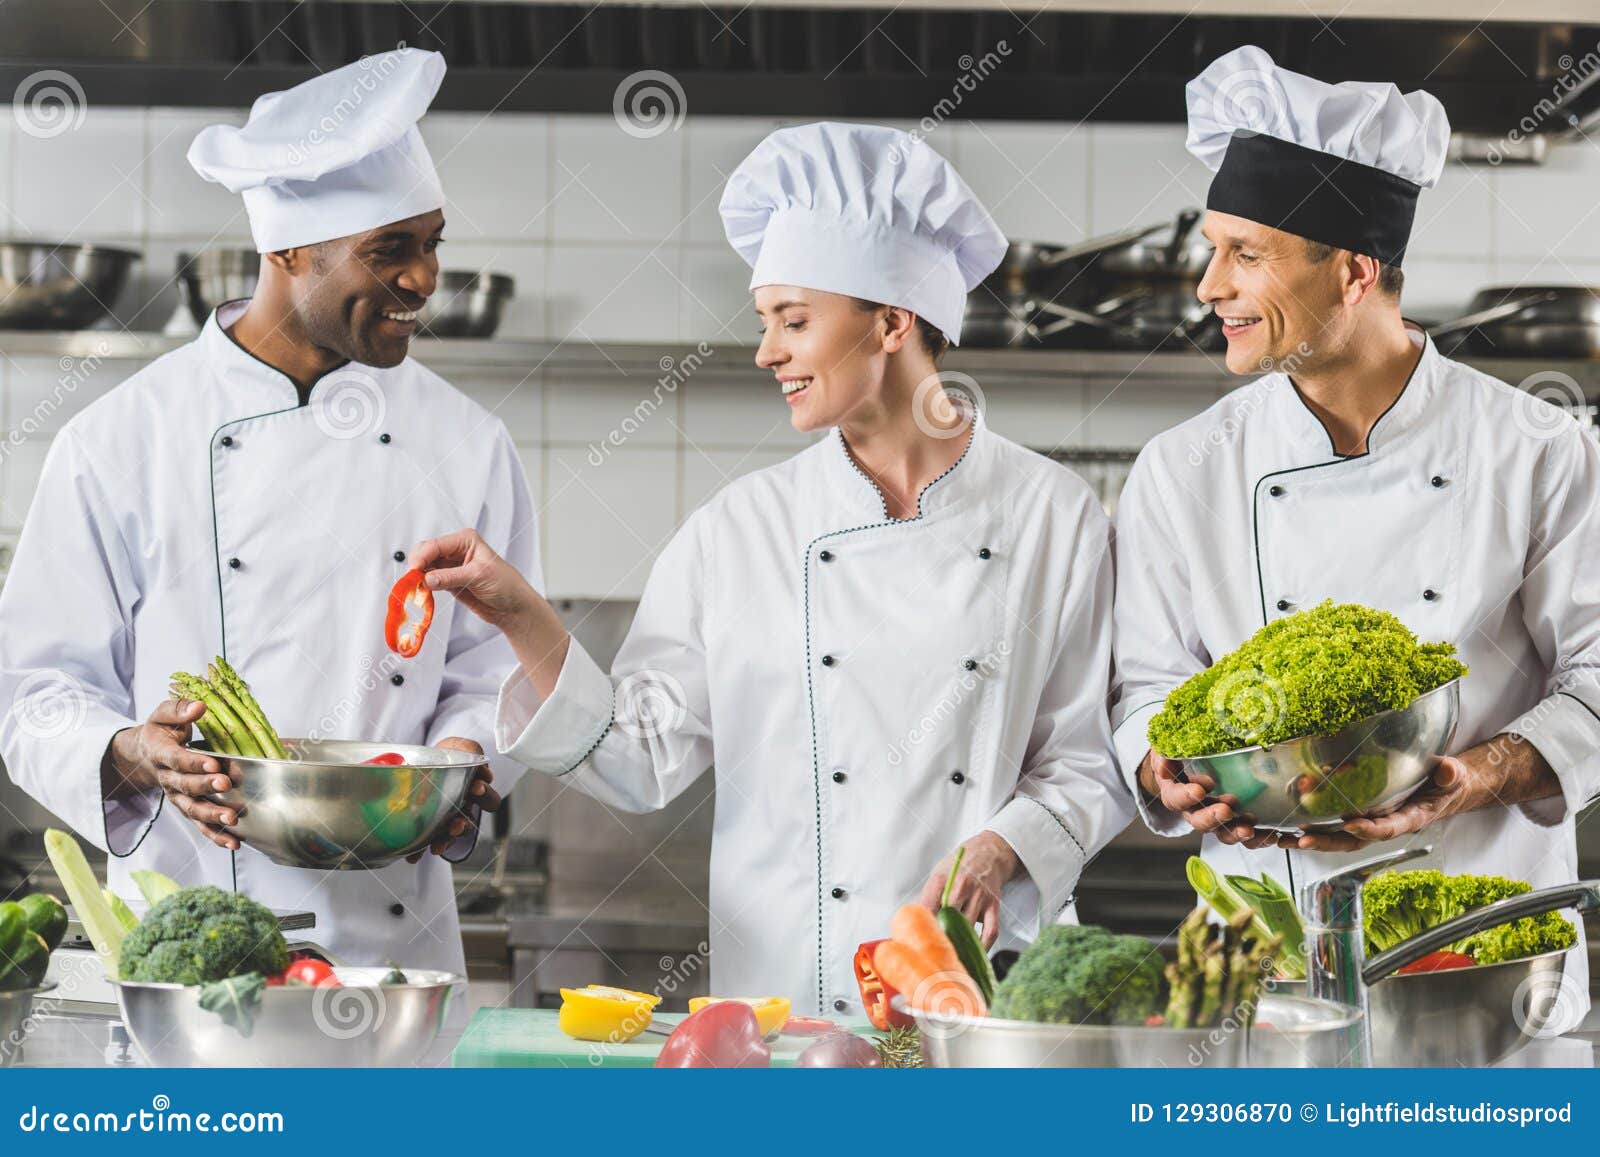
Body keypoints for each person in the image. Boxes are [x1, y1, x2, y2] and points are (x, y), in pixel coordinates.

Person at [406, 122, 1132, 1016]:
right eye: (765, 323)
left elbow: (1086, 762)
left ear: (893, 322)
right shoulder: (741, 528)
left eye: (794, 320)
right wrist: (522, 616)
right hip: (784, 1000)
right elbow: (640, 756)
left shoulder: (1052, 515)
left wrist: (1004, 847)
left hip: (980, 994)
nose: (766, 351)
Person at [0, 49, 536, 973]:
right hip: (188, 924)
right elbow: (34, 694)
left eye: (432, 241)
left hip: (394, 941)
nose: (424, 279)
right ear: (289, 250)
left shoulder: (467, 442)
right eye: (391, 250)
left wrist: (459, 758)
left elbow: (499, 668)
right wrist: (129, 751)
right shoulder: (119, 438)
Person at [1112, 47, 1600, 1010]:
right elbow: (1149, 688)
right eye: (1212, 248)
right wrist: (1167, 771)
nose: (1208, 285)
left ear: (1354, 271)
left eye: (1245, 254)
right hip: (1260, 964)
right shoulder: (1182, 468)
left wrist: (1467, 778)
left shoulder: (1539, 450)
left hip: (1481, 956)